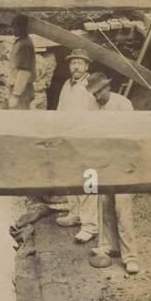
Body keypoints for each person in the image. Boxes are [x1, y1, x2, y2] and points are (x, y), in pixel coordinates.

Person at [78, 72, 141, 273]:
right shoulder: (92, 106)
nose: (97, 97)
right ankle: (109, 246)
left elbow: (133, 137)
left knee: (122, 209)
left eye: (99, 92)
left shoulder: (123, 105)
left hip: (121, 163)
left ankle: (130, 256)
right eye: (94, 94)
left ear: (108, 88)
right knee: (104, 206)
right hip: (102, 163)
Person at [53, 46, 98, 228]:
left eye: (80, 63)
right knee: (70, 178)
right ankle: (75, 214)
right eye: (73, 63)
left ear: (87, 66)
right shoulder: (66, 84)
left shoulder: (92, 86)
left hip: (85, 140)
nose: (76, 67)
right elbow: (59, 112)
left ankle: (90, 223)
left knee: (88, 181)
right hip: (68, 139)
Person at [6, 15, 36, 110]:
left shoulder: (23, 45)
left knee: (18, 120)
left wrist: (16, 95)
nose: (13, 30)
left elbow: (24, 72)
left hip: (21, 91)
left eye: (15, 27)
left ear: (23, 27)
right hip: (21, 89)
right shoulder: (23, 41)